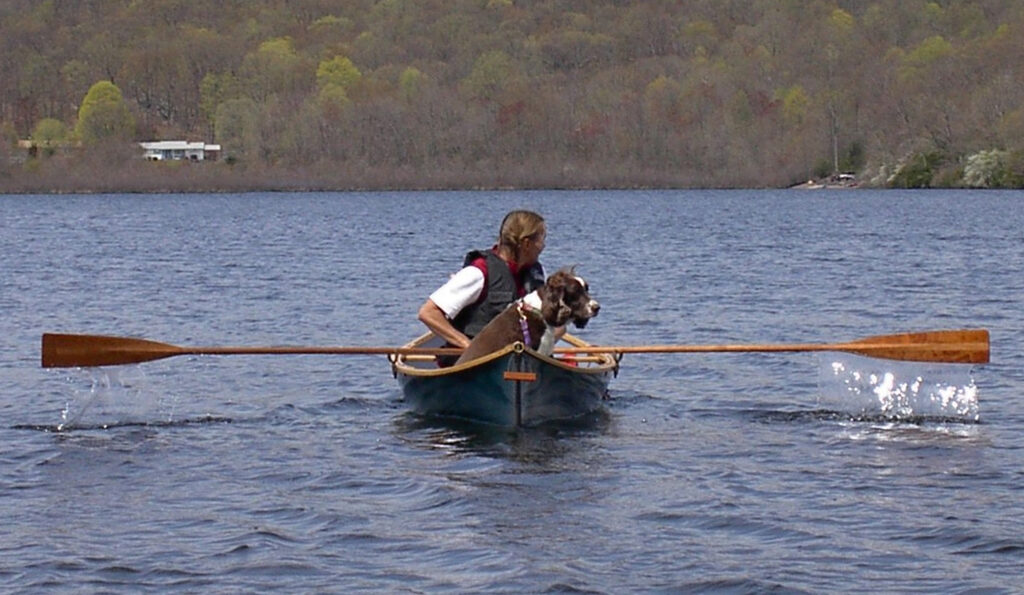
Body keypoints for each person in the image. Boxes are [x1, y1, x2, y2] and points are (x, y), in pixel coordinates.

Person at [418, 210, 548, 358]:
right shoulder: (479, 272)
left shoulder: (534, 275)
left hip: (519, 357)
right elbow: (428, 313)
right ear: (526, 243)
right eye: (542, 238)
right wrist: (471, 347)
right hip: (474, 364)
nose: (543, 246)